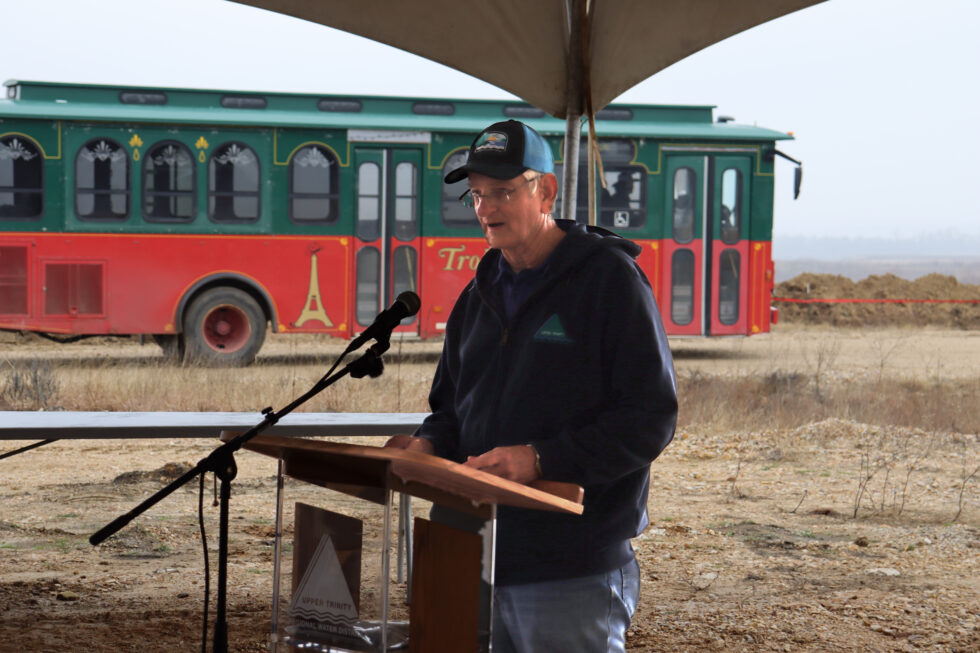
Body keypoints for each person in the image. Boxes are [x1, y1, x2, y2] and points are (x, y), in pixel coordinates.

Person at [386, 119, 677, 653]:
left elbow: (649, 416)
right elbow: (450, 408)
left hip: (566, 557)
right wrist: (428, 445)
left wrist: (542, 458)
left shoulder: (607, 281)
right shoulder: (479, 292)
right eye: (477, 195)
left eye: (503, 192)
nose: (486, 208)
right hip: (466, 543)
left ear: (546, 190)